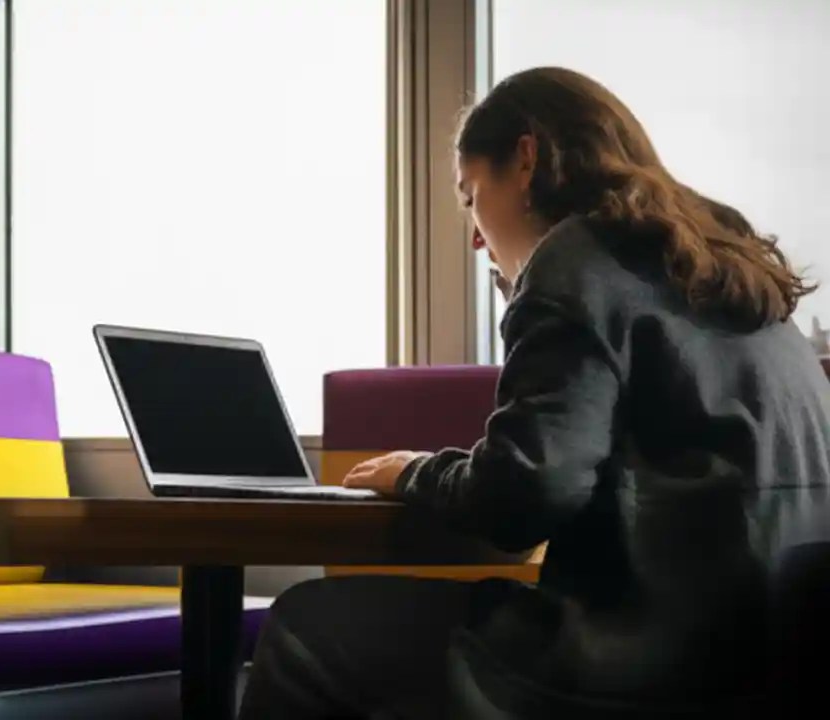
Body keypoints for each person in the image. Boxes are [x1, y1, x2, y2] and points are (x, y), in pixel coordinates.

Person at [237, 66, 830, 718]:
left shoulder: (578, 257)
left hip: (638, 662)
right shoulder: (723, 262)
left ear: (526, 158)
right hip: (772, 663)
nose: (471, 235)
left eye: (470, 198)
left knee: (302, 625)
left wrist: (416, 472)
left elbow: (524, 496)